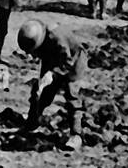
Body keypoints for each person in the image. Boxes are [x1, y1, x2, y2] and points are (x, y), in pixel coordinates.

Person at [16, 19, 87, 149]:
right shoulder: (41, 36)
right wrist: (45, 77)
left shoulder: (57, 39)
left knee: (72, 96)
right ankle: (32, 123)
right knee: (40, 89)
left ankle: (76, 135)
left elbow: (67, 61)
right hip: (53, 58)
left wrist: (52, 74)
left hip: (73, 61)